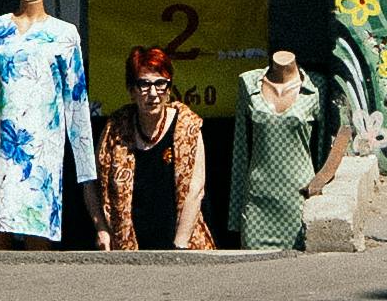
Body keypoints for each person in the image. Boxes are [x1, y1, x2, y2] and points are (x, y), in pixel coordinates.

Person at [0, 0, 96, 244]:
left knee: (37, 232)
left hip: (41, 150)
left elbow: (76, 101)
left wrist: (85, 167)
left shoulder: (64, 34)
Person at [96, 43, 213, 251]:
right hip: (127, 250)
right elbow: (91, 183)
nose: (153, 93)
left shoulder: (188, 126)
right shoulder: (115, 128)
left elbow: (195, 190)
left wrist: (179, 248)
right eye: (144, 84)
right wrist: (102, 228)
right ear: (132, 90)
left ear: (169, 89)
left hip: (183, 247)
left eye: (160, 84)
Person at [231, 46, 347, 249]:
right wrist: (235, 214)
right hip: (257, 199)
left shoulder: (315, 87)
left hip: (297, 197)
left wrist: (318, 188)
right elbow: (240, 148)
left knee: (295, 266)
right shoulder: (248, 83)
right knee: (252, 265)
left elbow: (322, 145)